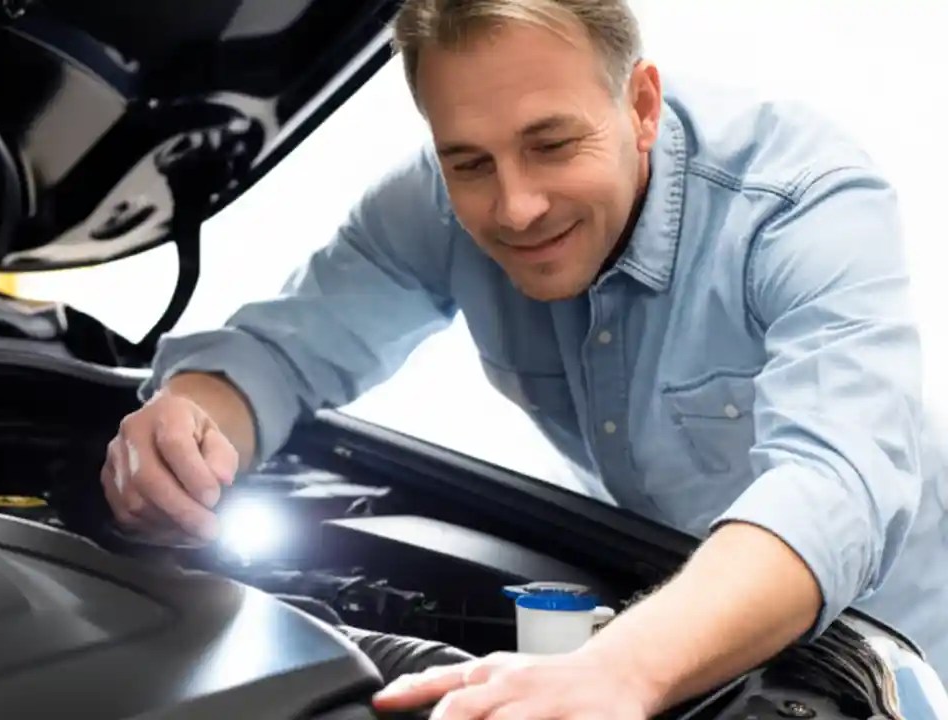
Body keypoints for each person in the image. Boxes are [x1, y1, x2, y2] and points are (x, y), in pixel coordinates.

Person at [100, 0, 948, 716]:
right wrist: (188, 425)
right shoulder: (431, 203)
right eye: (468, 162)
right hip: (659, 620)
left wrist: (622, 668)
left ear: (642, 106)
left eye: (551, 144)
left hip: (901, 659)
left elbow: (839, 483)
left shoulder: (801, 203)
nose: (515, 207)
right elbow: (277, 351)